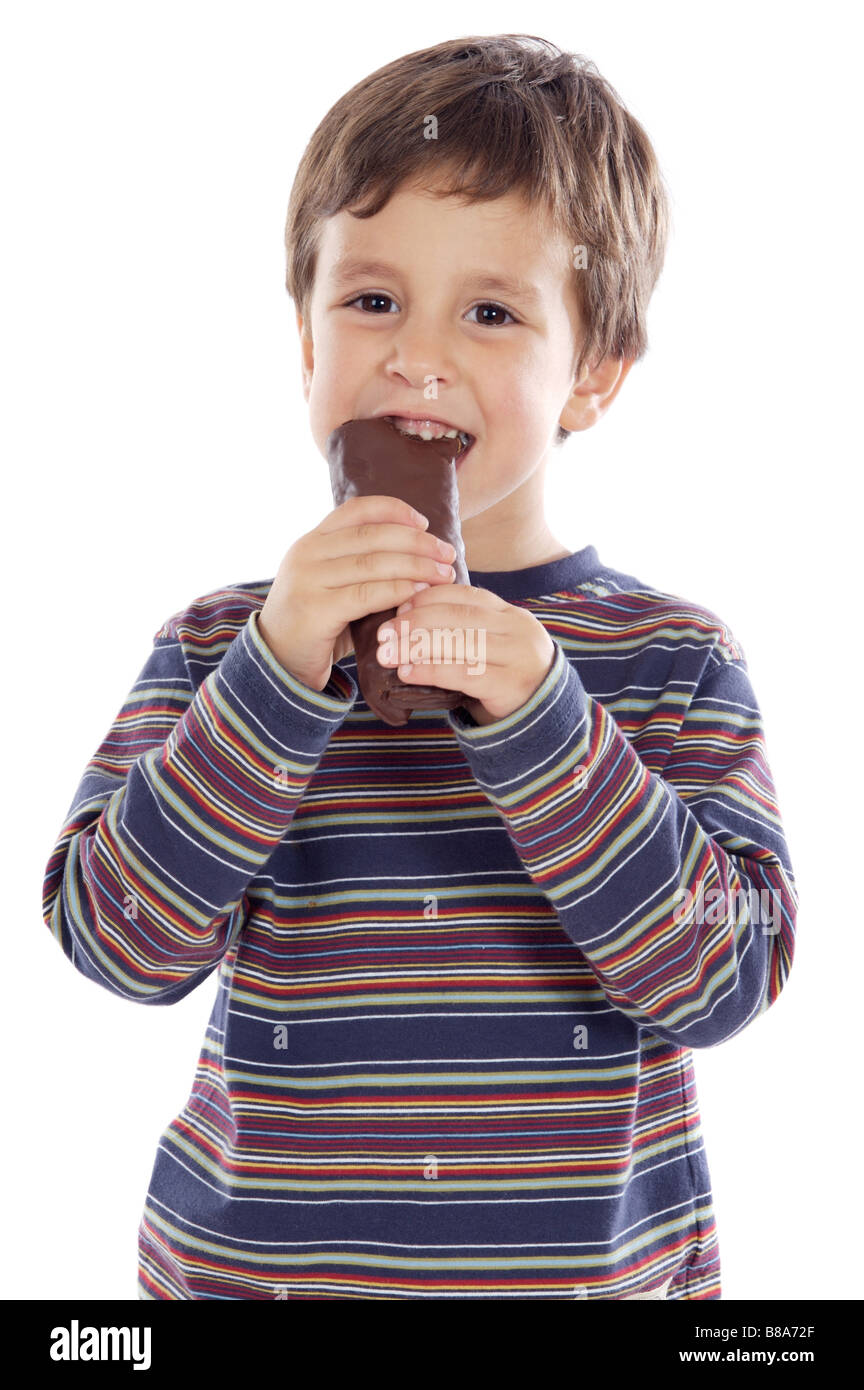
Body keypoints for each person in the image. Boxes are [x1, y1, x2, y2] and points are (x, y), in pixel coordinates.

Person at [42, 33, 798, 1300]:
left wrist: (547, 718)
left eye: (492, 312)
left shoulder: (673, 660)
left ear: (596, 373)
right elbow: (116, 942)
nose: (417, 354)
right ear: (304, 337)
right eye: (372, 299)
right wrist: (277, 678)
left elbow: (725, 979)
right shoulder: (225, 645)